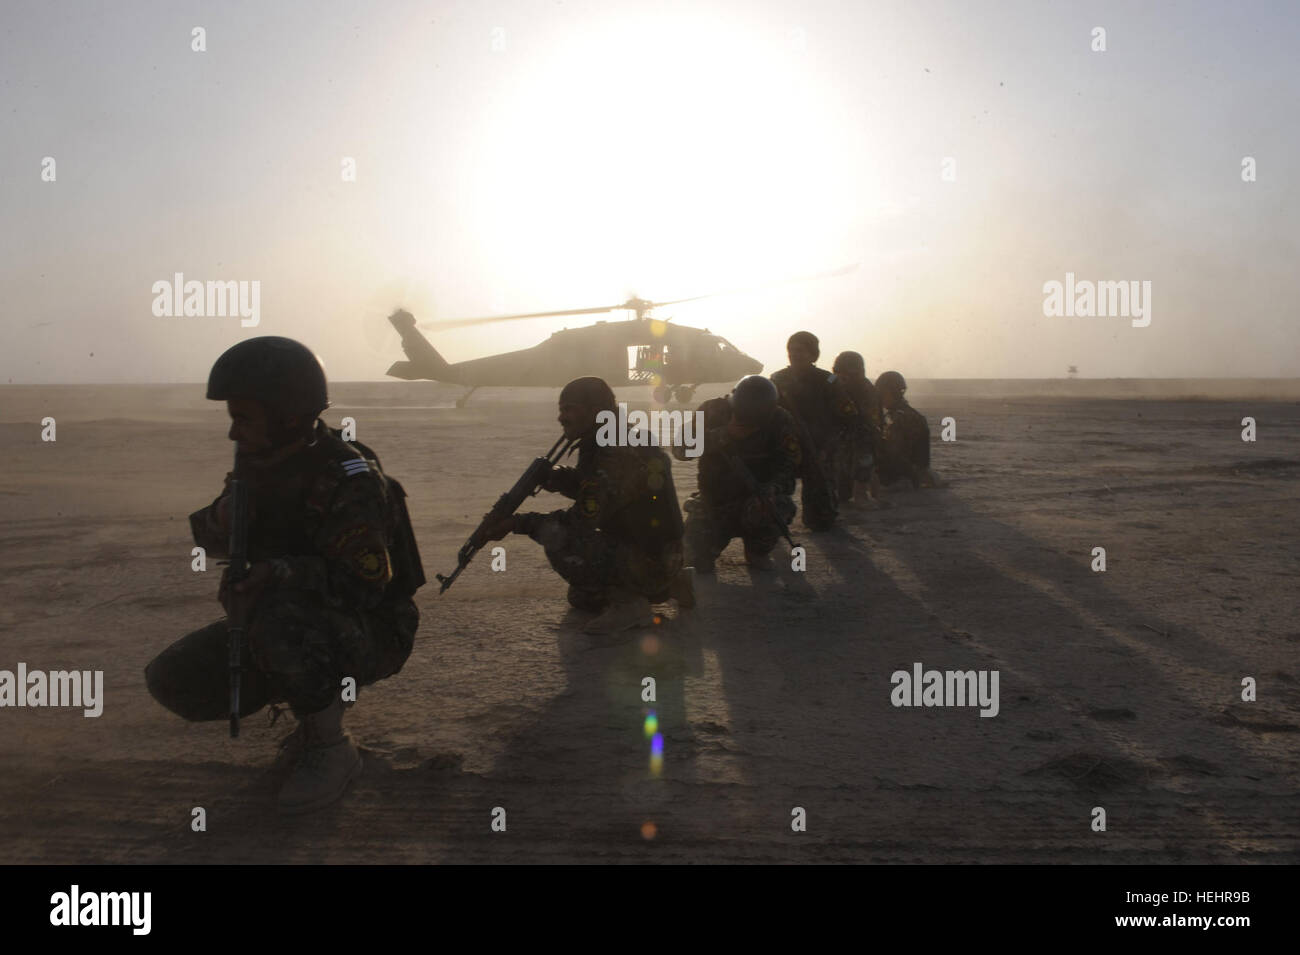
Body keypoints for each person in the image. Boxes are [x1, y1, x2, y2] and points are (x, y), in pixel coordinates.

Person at [145, 337, 424, 814]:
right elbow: (210, 536)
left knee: (277, 623)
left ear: (289, 416)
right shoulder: (263, 465)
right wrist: (225, 518)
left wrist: (274, 574)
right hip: (301, 616)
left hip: (377, 628)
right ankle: (311, 706)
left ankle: (331, 747)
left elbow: (366, 583)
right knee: (175, 677)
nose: (234, 434)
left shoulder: (348, 478)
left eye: (244, 419)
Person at [483, 377, 692, 635]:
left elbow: (580, 522)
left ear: (595, 412)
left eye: (570, 409)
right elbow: (609, 493)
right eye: (561, 409)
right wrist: (560, 478)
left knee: (560, 540)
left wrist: (518, 523)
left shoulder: (613, 452)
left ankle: (631, 605)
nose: (562, 417)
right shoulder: (615, 438)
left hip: (651, 557)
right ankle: (670, 585)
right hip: (660, 551)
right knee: (581, 597)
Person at [680, 376, 800, 573]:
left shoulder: (780, 420)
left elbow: (789, 464)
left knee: (778, 507)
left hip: (756, 500)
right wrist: (723, 434)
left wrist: (772, 489)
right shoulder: (712, 411)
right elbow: (681, 449)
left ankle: (757, 550)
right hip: (714, 501)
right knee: (695, 563)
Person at [770, 331, 869, 530]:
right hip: (783, 449)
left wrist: (830, 446)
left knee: (820, 521)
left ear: (812, 354)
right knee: (771, 504)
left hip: (818, 450)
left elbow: (848, 417)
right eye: (791, 350)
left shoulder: (828, 381)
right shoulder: (777, 379)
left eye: (800, 351)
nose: (794, 355)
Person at [830, 350, 883, 508]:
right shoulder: (832, 384)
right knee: (842, 495)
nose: (842, 378)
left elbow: (872, 425)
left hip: (861, 438)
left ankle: (861, 492)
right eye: (839, 374)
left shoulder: (868, 391)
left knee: (865, 442)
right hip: (841, 441)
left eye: (846, 375)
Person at [874, 370, 942, 490]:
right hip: (915, 470)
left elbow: (894, 452)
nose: (880, 398)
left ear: (893, 393)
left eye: (882, 394)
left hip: (903, 474)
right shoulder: (909, 414)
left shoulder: (899, 418)